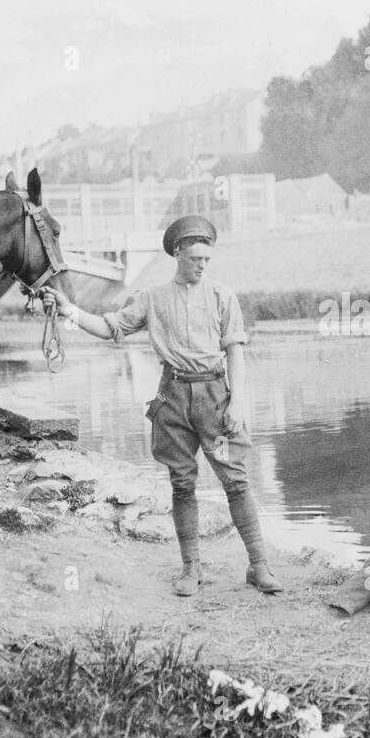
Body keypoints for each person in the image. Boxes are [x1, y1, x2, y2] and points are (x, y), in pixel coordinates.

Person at [42, 215, 284, 597]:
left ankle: (259, 566)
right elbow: (111, 328)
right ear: (177, 254)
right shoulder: (152, 298)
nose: (203, 265)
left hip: (214, 399)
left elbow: (235, 351)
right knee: (182, 483)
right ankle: (191, 569)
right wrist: (69, 311)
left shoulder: (222, 296)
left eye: (207, 259)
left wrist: (237, 403)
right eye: (195, 259)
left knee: (236, 480)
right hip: (171, 398)